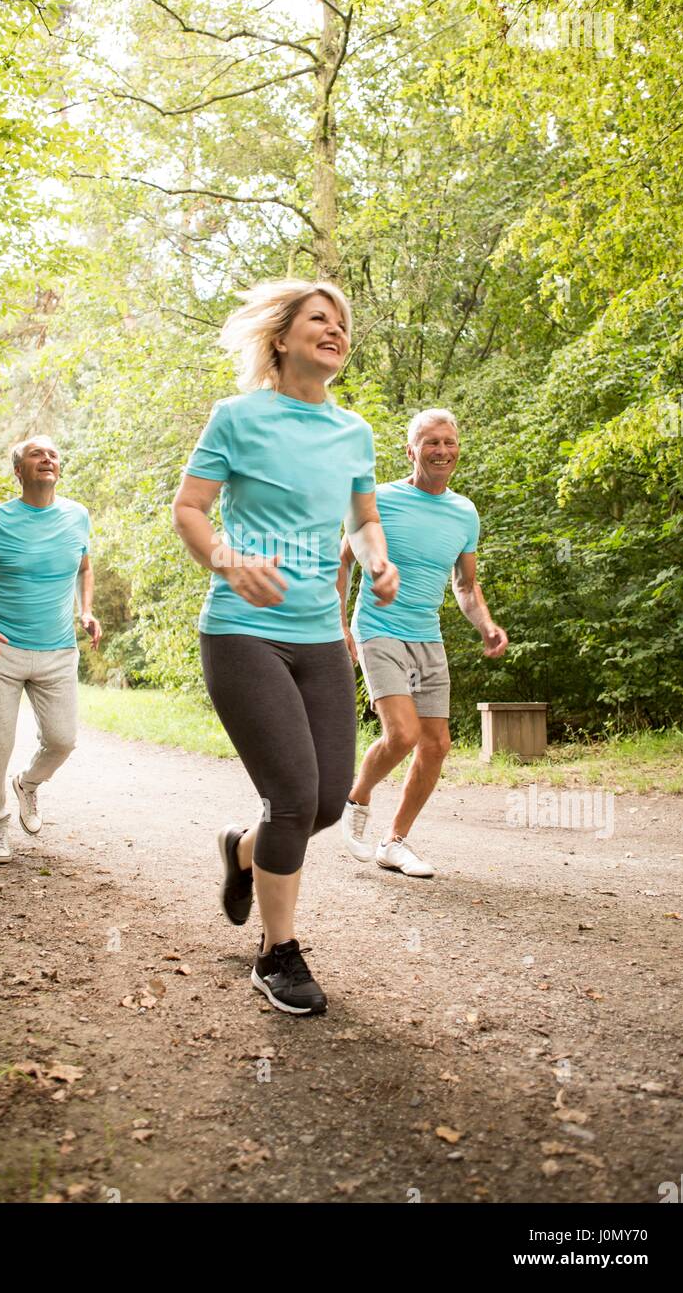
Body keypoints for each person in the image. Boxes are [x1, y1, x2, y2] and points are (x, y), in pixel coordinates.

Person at [172, 281, 398, 1016]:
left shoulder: (354, 432)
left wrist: (378, 557)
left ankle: (241, 850)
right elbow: (190, 508)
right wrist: (231, 561)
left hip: (320, 638)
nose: (335, 330)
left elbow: (362, 521)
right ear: (281, 339)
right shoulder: (237, 418)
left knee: (327, 801)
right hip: (240, 630)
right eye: (318, 319)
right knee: (294, 798)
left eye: (342, 323)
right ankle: (277, 953)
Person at [337, 408, 508, 876]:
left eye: (449, 442)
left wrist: (486, 625)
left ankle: (395, 841)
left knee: (436, 744)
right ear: (411, 450)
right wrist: (341, 623)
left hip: (427, 635)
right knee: (403, 734)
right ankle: (357, 797)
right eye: (431, 442)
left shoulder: (464, 511)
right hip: (379, 629)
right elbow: (344, 559)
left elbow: (466, 585)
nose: (442, 450)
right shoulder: (380, 500)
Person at [0, 435, 101, 864]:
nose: (47, 458)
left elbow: (84, 567)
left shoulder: (77, 516)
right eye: (36, 454)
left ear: (59, 469)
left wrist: (86, 611)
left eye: (52, 454)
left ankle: (28, 784)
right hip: (3, 650)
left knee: (63, 740)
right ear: (19, 471)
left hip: (58, 652)